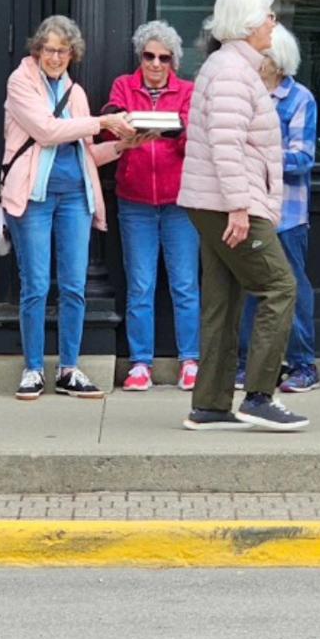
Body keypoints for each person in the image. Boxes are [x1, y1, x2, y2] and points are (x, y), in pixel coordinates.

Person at [179, 0, 306, 430]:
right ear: (250, 24)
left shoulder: (228, 66)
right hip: (233, 203)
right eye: (269, 15)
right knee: (280, 287)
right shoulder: (234, 71)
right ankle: (258, 397)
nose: (274, 22)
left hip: (215, 201)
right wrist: (239, 207)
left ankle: (211, 405)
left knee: (223, 301)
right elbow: (226, 145)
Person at [0, 15, 133, 400]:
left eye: (63, 51)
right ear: (36, 49)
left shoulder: (73, 91)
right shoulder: (20, 81)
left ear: (73, 54)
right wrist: (102, 120)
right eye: (49, 49)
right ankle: (33, 369)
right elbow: (46, 130)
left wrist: (124, 145)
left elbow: (86, 150)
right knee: (36, 285)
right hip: (33, 197)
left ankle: (69, 368)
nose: (55, 57)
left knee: (74, 286)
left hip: (75, 196)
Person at [106, 20, 200, 392]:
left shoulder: (189, 91)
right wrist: (128, 127)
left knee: (185, 285)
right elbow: (108, 125)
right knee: (140, 285)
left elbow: (194, 137)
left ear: (174, 61)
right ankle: (140, 363)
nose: (156, 63)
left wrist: (172, 131)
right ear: (140, 57)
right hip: (135, 201)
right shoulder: (123, 87)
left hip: (179, 202)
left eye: (164, 57)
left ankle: (190, 360)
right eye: (149, 56)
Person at [237, 25, 320, 392]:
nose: (256, 62)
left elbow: (302, 158)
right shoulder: (245, 95)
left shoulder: (299, 99)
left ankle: (304, 365)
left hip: (288, 215)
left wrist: (256, 156)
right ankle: (250, 366)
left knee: (293, 289)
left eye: (263, 56)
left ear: (278, 61)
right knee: (251, 289)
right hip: (250, 209)